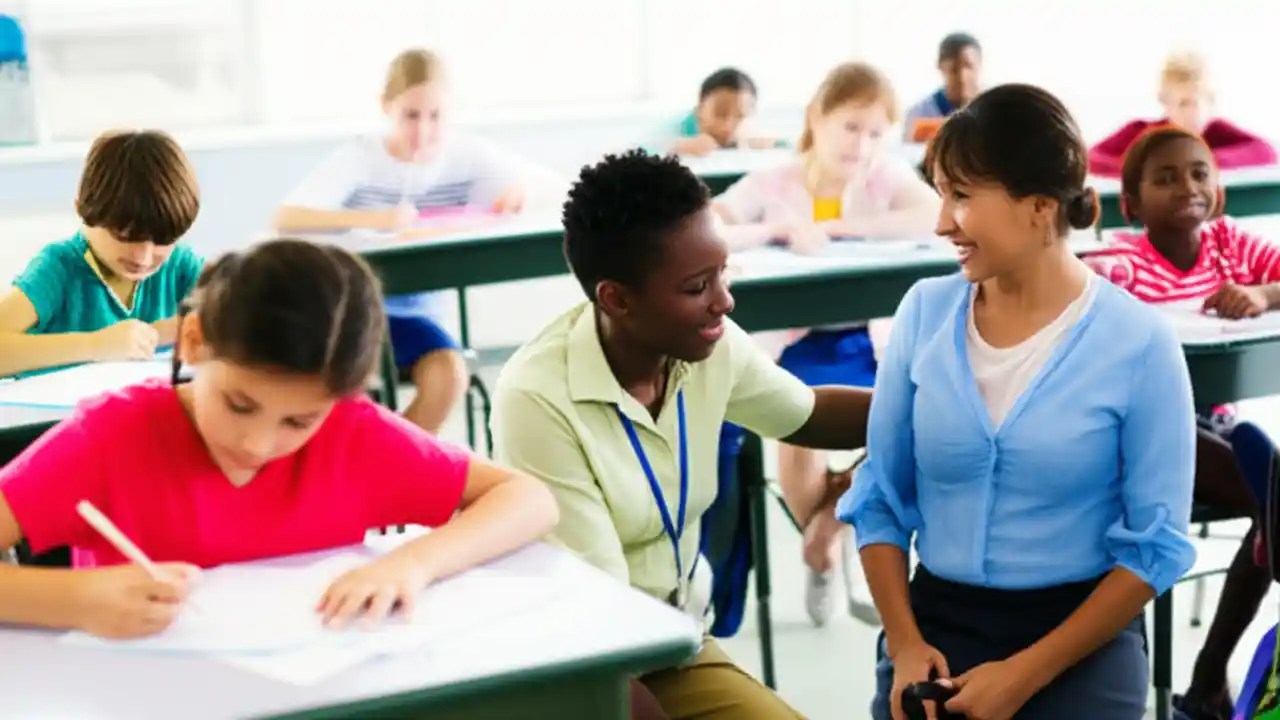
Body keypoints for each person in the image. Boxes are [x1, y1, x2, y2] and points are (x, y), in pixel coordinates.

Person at [843, 84, 1196, 720]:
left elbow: (1156, 547)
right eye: (941, 194)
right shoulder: (923, 313)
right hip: (936, 627)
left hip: (1080, 635)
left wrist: (1024, 675)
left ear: (1038, 206)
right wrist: (904, 644)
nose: (942, 220)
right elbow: (880, 500)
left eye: (962, 197)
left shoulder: (1140, 343)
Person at [0, 238, 557, 637]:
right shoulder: (112, 436)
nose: (258, 445)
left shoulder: (351, 435)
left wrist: (411, 563)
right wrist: (71, 601)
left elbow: (529, 500)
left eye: (299, 422)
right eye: (239, 404)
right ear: (193, 342)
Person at [491, 149, 872, 720]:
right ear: (616, 299)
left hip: (674, 639)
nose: (724, 300)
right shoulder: (538, 399)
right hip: (579, 663)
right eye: (697, 286)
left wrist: (941, 407)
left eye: (722, 273)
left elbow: (806, 413)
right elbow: (599, 631)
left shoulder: (706, 346)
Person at [714, 61, 936, 627]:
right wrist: (774, 230)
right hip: (795, 343)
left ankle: (826, 528)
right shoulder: (773, 181)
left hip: (871, 343)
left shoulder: (883, 178)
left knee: (915, 411)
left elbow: (932, 215)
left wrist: (839, 230)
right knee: (796, 418)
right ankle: (823, 538)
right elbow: (711, 225)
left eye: (875, 132)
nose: (862, 145)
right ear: (818, 118)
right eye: (851, 127)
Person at [1084, 124, 1280, 720]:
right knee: (1275, 495)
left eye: (1199, 174)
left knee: (1273, 502)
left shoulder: (1230, 248)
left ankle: (1206, 676)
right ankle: (1208, 685)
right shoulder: (1125, 265)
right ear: (1133, 202)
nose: (1187, 187)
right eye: (1165, 178)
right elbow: (1078, 285)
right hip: (1140, 441)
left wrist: (1262, 295)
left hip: (1215, 433)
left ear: (1218, 191)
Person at [274, 48, 564, 433]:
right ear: (386, 107)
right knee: (349, 379)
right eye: (411, 115)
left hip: (421, 318)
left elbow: (552, 187)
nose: (423, 130)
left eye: (436, 116)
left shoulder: (467, 154)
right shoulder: (361, 157)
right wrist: (376, 219)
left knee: (450, 375)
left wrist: (519, 194)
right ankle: (357, 471)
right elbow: (287, 219)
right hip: (358, 311)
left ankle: (395, 468)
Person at [0, 129, 203, 378]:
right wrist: (96, 345)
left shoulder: (180, 265)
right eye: (125, 237)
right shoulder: (59, 268)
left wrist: (158, 333)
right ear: (83, 209)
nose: (144, 259)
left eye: (163, 241)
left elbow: (246, 317)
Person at [1089, 51, 1276, 177]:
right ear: (1165, 102)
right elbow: (1090, 158)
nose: (1190, 113)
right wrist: (1146, 169)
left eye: (1196, 103)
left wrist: (1203, 162)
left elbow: (1265, 151)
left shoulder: (1216, 131)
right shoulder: (1141, 132)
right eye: (1182, 104)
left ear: (1211, 101)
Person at [671, 67, 778, 157]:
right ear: (699, 110)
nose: (727, 126)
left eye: (740, 116)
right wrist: (677, 148)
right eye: (720, 113)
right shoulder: (678, 130)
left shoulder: (753, 138)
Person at [902, 33, 982, 143]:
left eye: (969, 66)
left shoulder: (993, 110)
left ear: (980, 64)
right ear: (940, 66)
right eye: (954, 69)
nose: (962, 76)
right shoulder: (919, 114)